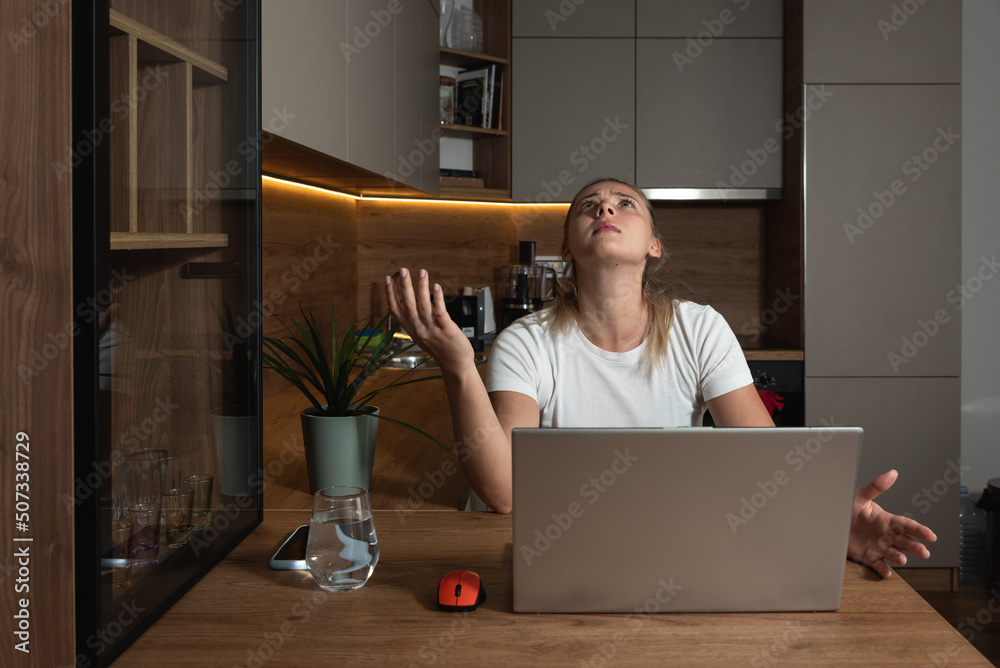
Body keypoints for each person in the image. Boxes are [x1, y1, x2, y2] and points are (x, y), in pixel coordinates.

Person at [385, 177, 936, 579]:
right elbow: (503, 494)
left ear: (654, 244)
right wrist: (458, 366)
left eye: (626, 203)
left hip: (669, 546)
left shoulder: (700, 328)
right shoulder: (526, 342)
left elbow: (762, 457)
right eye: (589, 206)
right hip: (553, 554)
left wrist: (827, 519)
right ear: (566, 250)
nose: (606, 208)